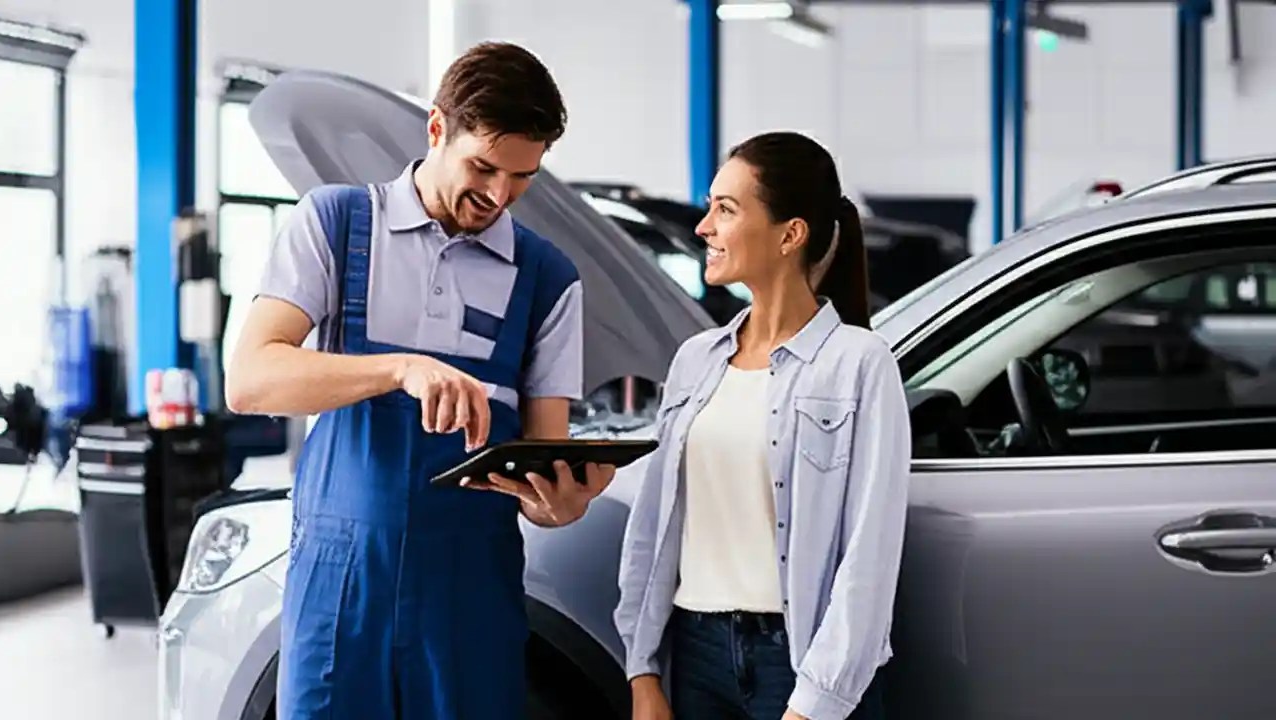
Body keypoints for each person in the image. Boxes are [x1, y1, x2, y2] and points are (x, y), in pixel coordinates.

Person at [226, 41, 616, 720]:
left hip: (470, 597)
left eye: (523, 177)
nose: (499, 195)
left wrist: (560, 504)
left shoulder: (549, 280)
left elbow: (546, 460)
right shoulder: (335, 224)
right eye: (484, 167)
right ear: (437, 129)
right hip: (339, 585)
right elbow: (251, 379)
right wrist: (399, 369)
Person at [614, 131, 911, 720]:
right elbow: (653, 525)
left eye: (725, 210)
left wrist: (814, 702)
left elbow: (869, 554)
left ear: (789, 234)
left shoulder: (858, 362)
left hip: (801, 666)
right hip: (695, 657)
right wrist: (642, 669)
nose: (703, 228)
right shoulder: (695, 360)